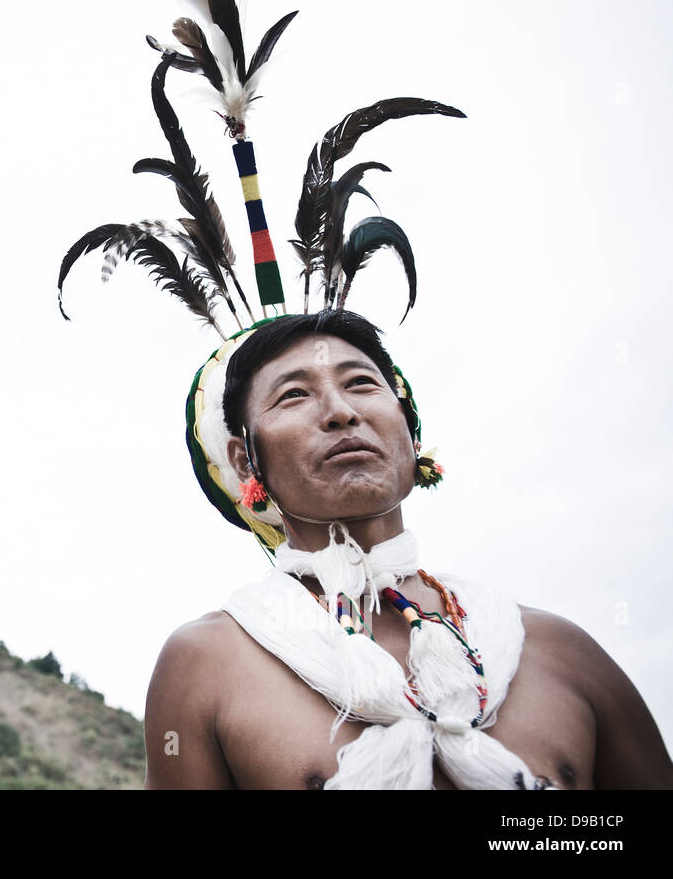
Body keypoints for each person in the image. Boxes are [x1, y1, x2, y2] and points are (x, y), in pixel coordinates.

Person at [142, 311, 673, 789]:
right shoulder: (208, 666)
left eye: (362, 384)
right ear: (244, 462)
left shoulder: (557, 650)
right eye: (294, 395)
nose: (341, 411)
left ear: (411, 433)